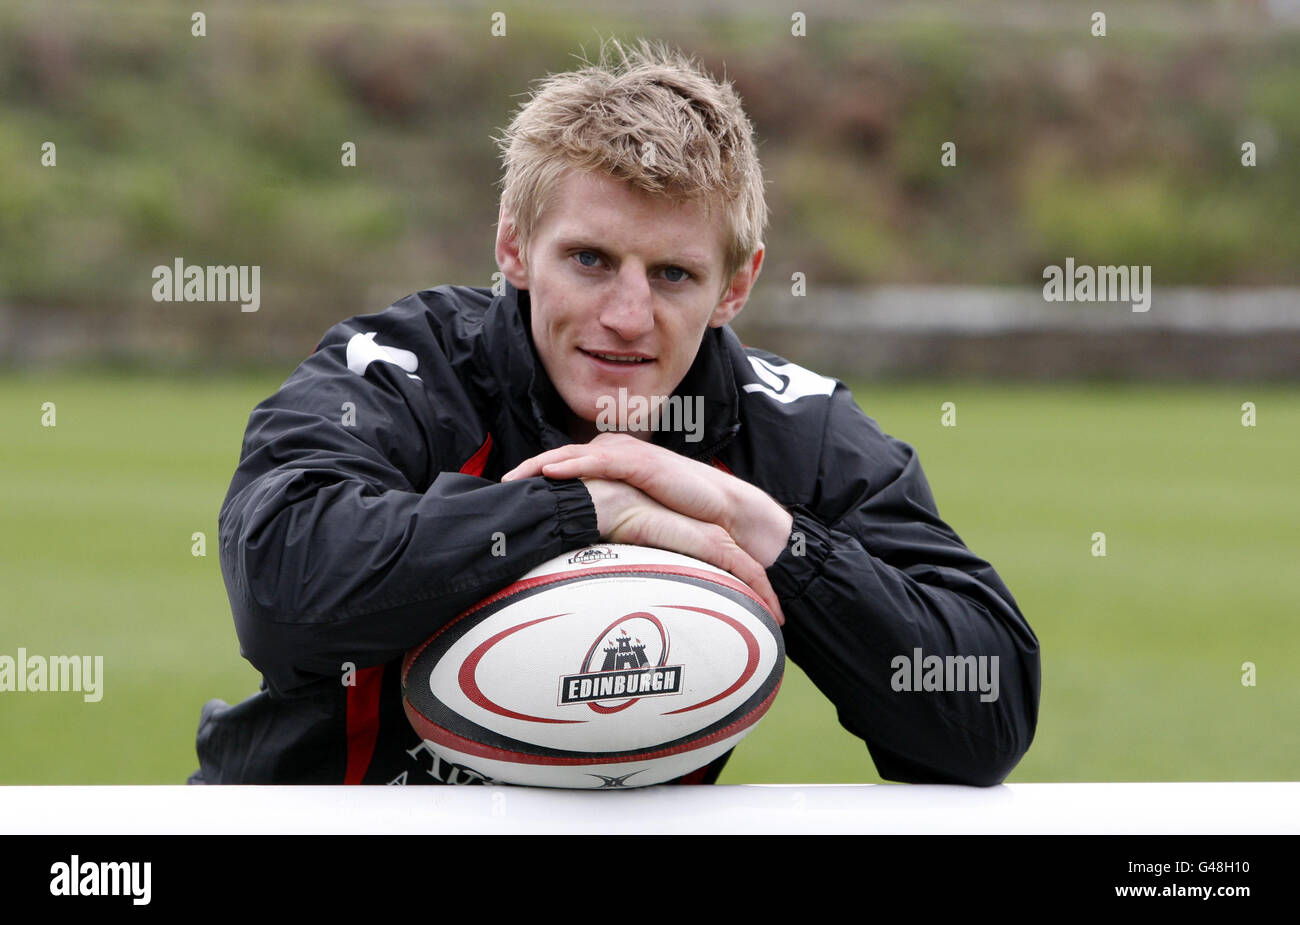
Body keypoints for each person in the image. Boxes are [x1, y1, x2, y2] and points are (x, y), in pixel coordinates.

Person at [190, 38, 1039, 787]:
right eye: (591, 259)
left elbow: (986, 713)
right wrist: (589, 509)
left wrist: (771, 535)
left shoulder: (793, 431)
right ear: (515, 246)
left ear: (734, 287)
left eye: (673, 274)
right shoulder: (405, 370)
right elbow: (278, 587)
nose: (628, 315)